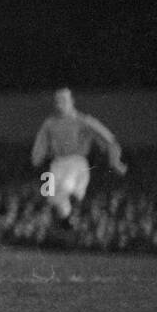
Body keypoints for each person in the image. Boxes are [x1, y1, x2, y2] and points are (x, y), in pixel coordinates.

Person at [31, 87, 127, 230]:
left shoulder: (83, 120)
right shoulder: (49, 123)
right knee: (49, 196)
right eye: (57, 100)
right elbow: (40, 143)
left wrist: (115, 161)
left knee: (66, 188)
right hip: (57, 164)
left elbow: (108, 139)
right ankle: (67, 223)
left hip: (76, 162)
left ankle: (76, 208)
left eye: (63, 100)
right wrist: (36, 157)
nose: (59, 103)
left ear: (72, 101)